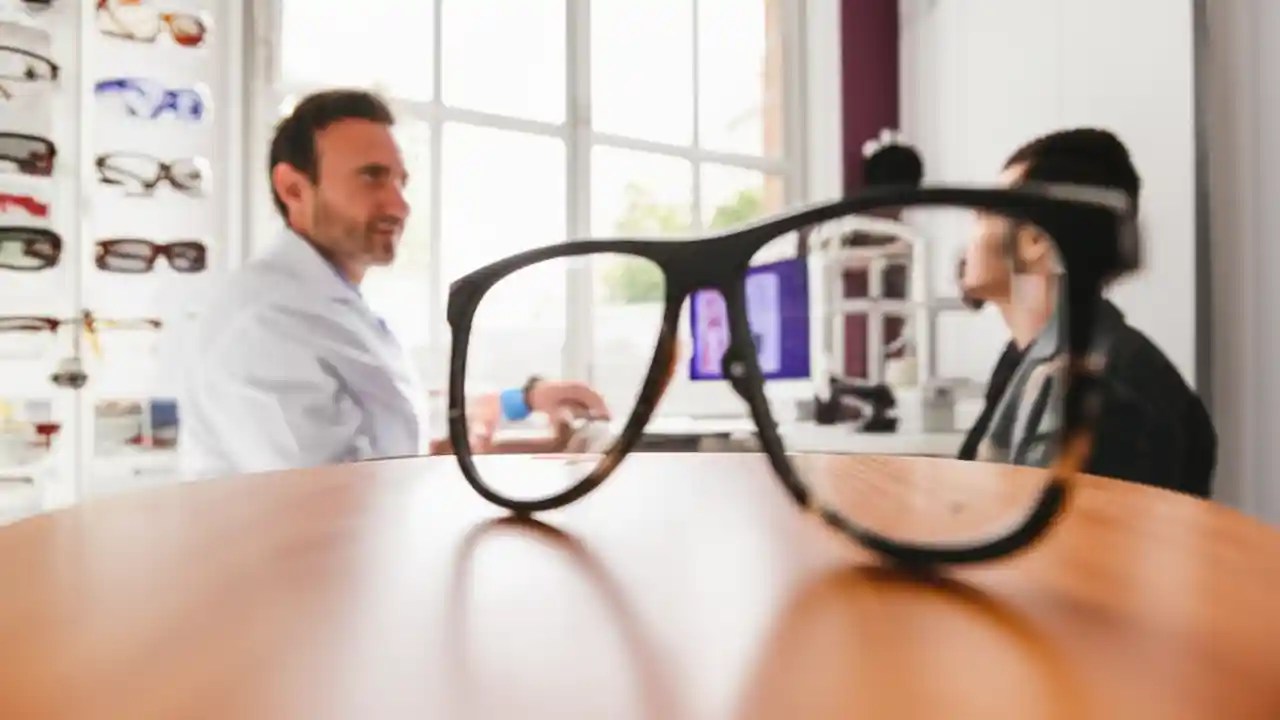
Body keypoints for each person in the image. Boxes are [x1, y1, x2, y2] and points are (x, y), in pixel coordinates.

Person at [178, 89, 608, 479]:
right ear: (293, 188)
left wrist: (526, 400)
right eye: (372, 177)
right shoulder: (263, 321)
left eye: (401, 181)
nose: (400, 205)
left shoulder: (331, 304)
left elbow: (400, 424)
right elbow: (328, 495)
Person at [957, 128, 1217, 497]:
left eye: (984, 212)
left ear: (1035, 238)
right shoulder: (1023, 362)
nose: (969, 234)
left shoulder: (1114, 395)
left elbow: (1071, 551)